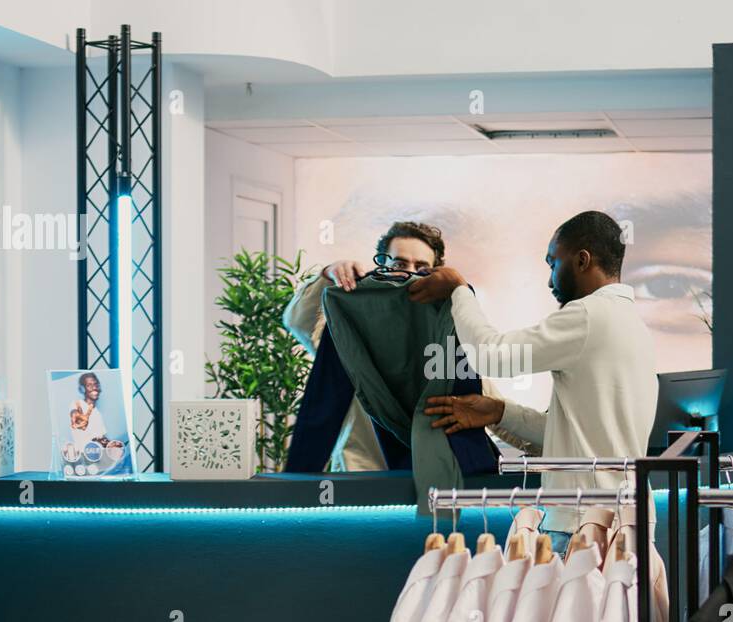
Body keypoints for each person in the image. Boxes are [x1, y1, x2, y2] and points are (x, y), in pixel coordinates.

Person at [408, 210, 658, 552]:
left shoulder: (587, 316)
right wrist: (498, 412)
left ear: (582, 260)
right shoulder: (632, 325)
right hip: (622, 522)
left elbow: (491, 355)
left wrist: (459, 290)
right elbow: (575, 441)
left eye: (552, 263)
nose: (549, 279)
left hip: (581, 524)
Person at [282, 220, 535, 470]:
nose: (409, 273)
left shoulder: (446, 347)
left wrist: (550, 446)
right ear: (383, 264)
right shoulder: (353, 335)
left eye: (422, 267)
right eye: (400, 263)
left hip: (425, 487)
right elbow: (298, 322)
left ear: (436, 273)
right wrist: (328, 275)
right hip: (361, 484)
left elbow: (488, 408)